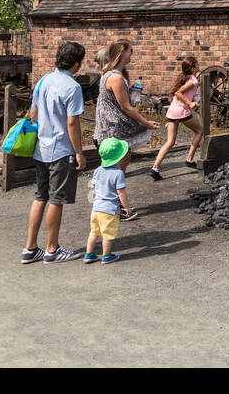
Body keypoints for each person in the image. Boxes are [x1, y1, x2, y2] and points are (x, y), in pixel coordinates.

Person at [22, 41, 87, 264]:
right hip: (61, 149)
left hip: (41, 146)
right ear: (77, 63)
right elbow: (72, 123)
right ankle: (52, 249)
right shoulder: (73, 87)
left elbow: (32, 113)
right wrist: (79, 152)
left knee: (40, 196)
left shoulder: (43, 80)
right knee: (57, 200)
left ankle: (30, 248)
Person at [95, 41, 159, 162]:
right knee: (118, 169)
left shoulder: (112, 74)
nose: (132, 54)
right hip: (115, 129)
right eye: (131, 51)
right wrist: (146, 123)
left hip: (112, 128)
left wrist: (130, 90)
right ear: (122, 53)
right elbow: (126, 107)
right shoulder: (115, 77)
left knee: (116, 168)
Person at [152, 57, 203, 178]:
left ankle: (155, 168)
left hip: (172, 111)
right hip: (181, 111)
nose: (199, 64)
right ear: (193, 67)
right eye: (197, 64)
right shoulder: (193, 81)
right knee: (200, 131)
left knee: (170, 142)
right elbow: (178, 93)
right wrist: (190, 103)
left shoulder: (186, 77)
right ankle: (189, 159)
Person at [85, 137, 132, 264]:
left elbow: (92, 186)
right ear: (120, 157)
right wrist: (126, 207)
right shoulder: (118, 173)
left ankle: (89, 254)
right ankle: (106, 256)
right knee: (107, 234)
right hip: (109, 209)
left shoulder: (98, 170)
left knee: (94, 232)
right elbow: (120, 192)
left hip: (96, 208)